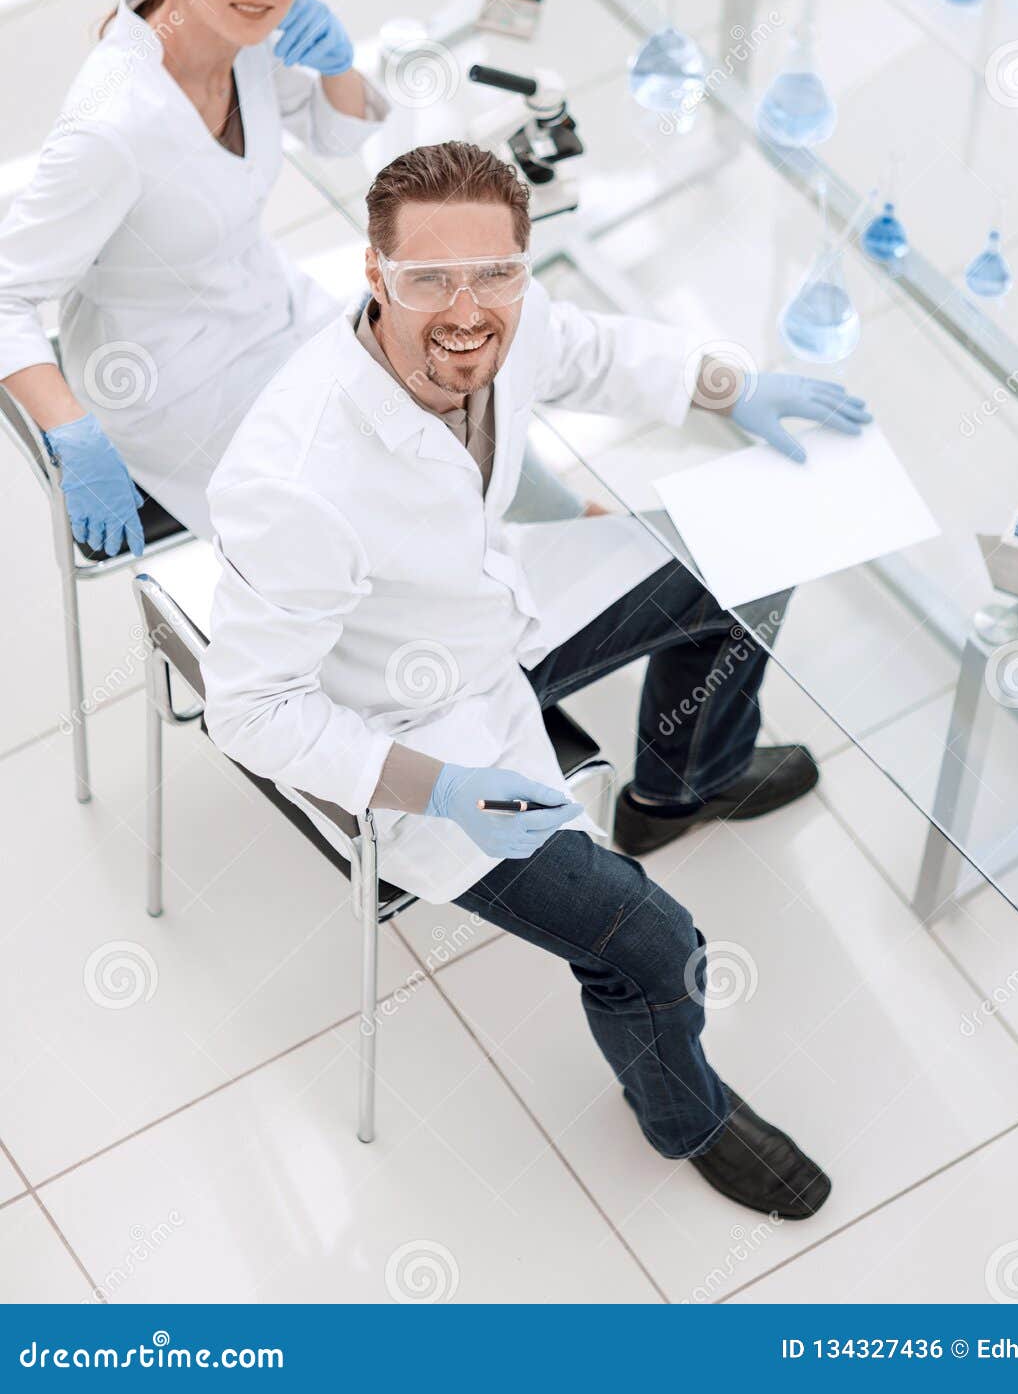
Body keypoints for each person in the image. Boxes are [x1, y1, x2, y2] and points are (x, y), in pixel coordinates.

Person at [202, 141, 872, 1214]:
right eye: (428, 280)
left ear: (521, 261)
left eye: (497, 273)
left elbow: (593, 350)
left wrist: (729, 388)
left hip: (495, 612)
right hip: (414, 725)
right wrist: (441, 789)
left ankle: (680, 782)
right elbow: (249, 707)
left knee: (752, 556)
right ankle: (683, 1115)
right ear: (375, 278)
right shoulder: (296, 476)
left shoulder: (501, 313)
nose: (467, 309)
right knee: (650, 943)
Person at [0, 0, 387, 548]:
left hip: (272, 309)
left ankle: (572, 533)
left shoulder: (248, 40)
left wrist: (338, 63)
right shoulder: (115, 126)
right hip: (174, 387)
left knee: (439, 415)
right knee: (365, 515)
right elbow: (4, 295)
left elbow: (336, 134)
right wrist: (73, 435)